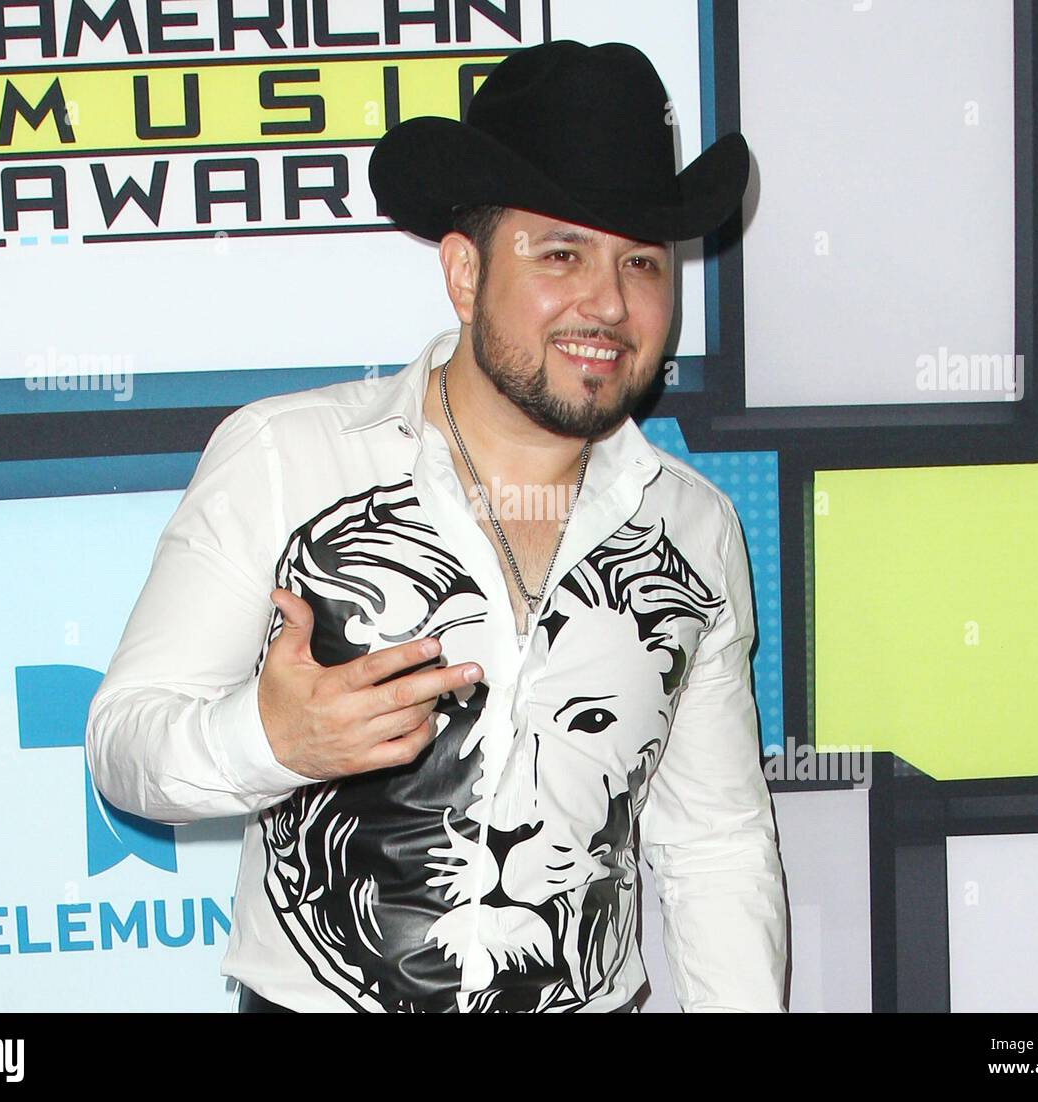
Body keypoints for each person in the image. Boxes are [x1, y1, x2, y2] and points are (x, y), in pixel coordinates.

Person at [85, 39, 788, 1014]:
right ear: (464, 274)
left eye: (642, 262)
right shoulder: (288, 459)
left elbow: (714, 842)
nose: (610, 302)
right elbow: (123, 745)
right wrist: (269, 737)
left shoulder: (693, 530)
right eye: (560, 253)